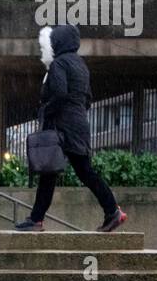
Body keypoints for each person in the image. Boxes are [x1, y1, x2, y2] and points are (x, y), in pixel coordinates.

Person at [15, 23, 127, 232]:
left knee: (53, 171)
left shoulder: (59, 64)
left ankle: (37, 220)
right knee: (83, 172)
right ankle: (112, 211)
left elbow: (59, 93)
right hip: (79, 125)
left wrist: (46, 110)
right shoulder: (80, 65)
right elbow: (88, 99)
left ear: (59, 42)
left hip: (62, 127)